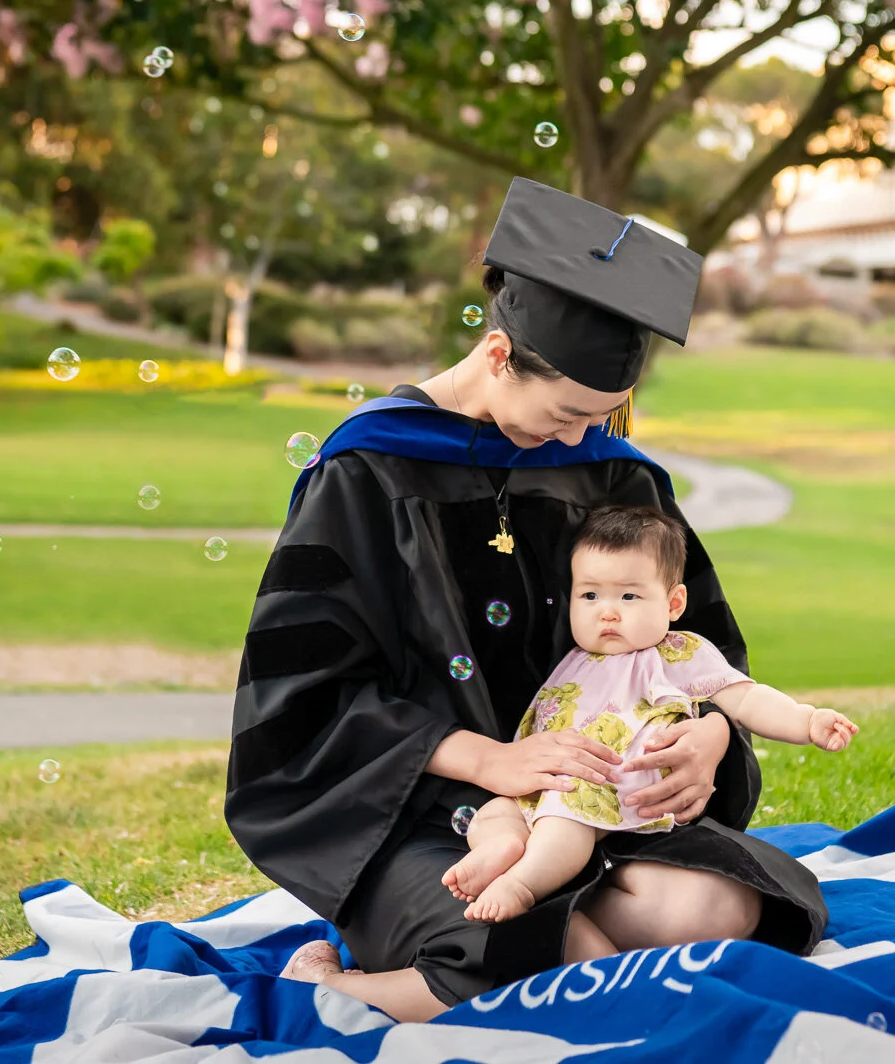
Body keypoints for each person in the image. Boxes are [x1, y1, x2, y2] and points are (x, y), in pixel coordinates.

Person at [225, 178, 827, 1024]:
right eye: (567, 412)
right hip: (428, 809)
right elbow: (301, 698)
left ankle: (545, 954)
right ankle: (328, 986)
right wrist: (487, 762)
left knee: (713, 912)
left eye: (603, 416)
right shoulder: (368, 473)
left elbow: (700, 644)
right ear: (500, 354)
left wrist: (712, 738)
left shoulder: (609, 472)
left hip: (600, 799)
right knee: (547, 955)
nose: (580, 437)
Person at [444, 504, 857, 923]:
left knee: (563, 826)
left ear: (673, 603)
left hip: (605, 787)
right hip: (545, 781)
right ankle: (502, 846)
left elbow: (747, 700)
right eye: (589, 595)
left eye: (628, 596)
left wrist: (807, 721)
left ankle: (522, 885)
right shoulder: (576, 658)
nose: (607, 611)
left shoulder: (679, 654)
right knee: (493, 814)